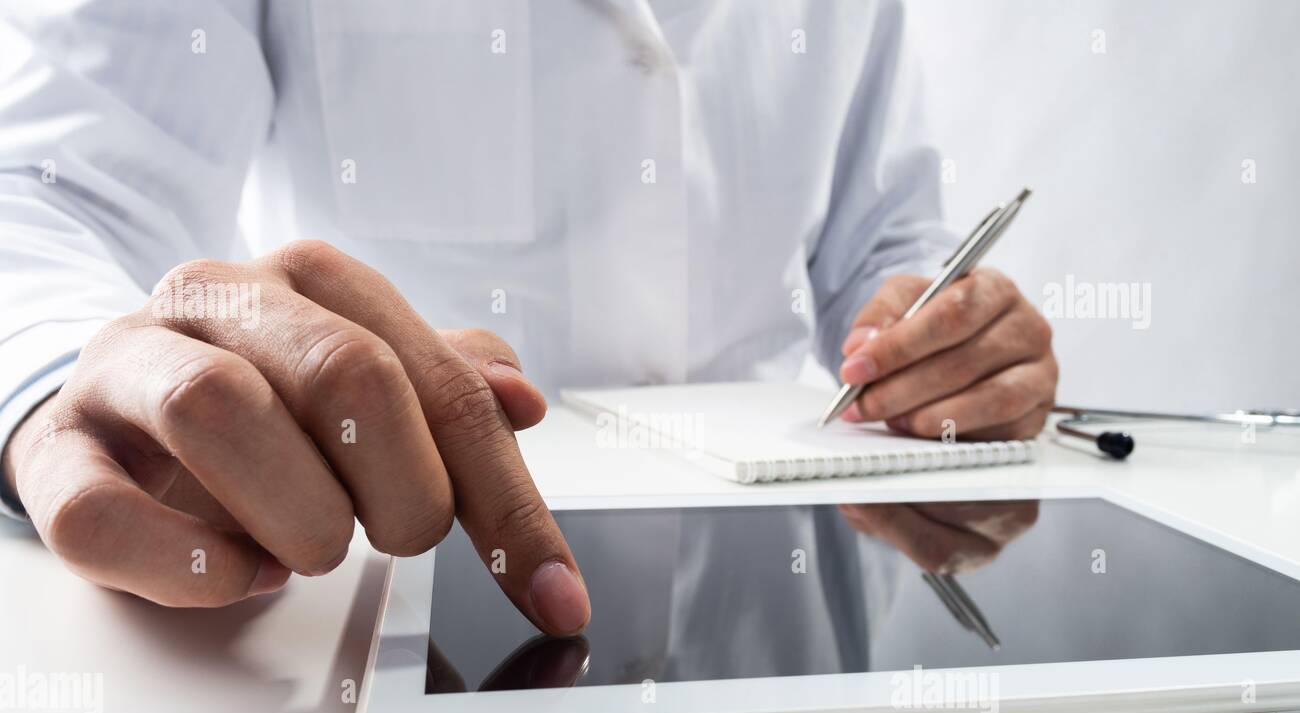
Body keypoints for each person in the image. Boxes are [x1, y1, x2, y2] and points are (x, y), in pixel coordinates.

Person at [0, 0, 1057, 625]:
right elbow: (49, 194)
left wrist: (935, 330)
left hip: (781, 591)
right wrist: (59, 388)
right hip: (382, 572)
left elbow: (880, 234)